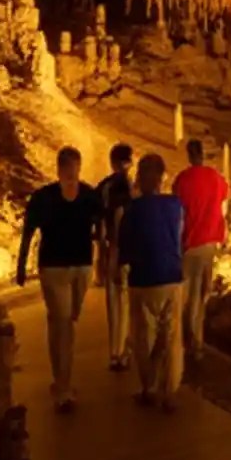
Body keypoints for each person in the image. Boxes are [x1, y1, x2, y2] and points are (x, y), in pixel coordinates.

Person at [16, 146, 103, 413]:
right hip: (57, 267)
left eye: (72, 168)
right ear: (60, 169)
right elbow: (29, 231)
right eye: (66, 168)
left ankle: (63, 379)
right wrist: (21, 266)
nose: (69, 173)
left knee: (69, 321)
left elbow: (100, 228)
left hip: (79, 267)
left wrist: (104, 254)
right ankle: (63, 387)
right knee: (62, 323)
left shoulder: (88, 195)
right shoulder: (46, 197)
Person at [118, 153, 186, 412]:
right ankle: (169, 391)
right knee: (170, 336)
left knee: (143, 337)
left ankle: (148, 386)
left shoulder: (131, 212)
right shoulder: (175, 205)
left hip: (143, 280)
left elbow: (124, 251)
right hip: (171, 274)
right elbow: (180, 235)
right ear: (162, 178)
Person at [171, 139, 230, 362]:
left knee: (188, 295)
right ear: (204, 154)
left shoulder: (182, 180)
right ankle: (197, 342)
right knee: (202, 295)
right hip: (210, 241)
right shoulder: (216, 178)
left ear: (189, 155)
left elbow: (178, 213)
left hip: (189, 243)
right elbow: (223, 207)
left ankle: (187, 341)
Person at [98, 143, 134, 372]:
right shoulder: (130, 187)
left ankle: (114, 351)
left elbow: (99, 223)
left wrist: (101, 254)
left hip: (111, 248)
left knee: (113, 303)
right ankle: (123, 351)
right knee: (126, 301)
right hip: (128, 249)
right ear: (129, 162)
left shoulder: (104, 187)